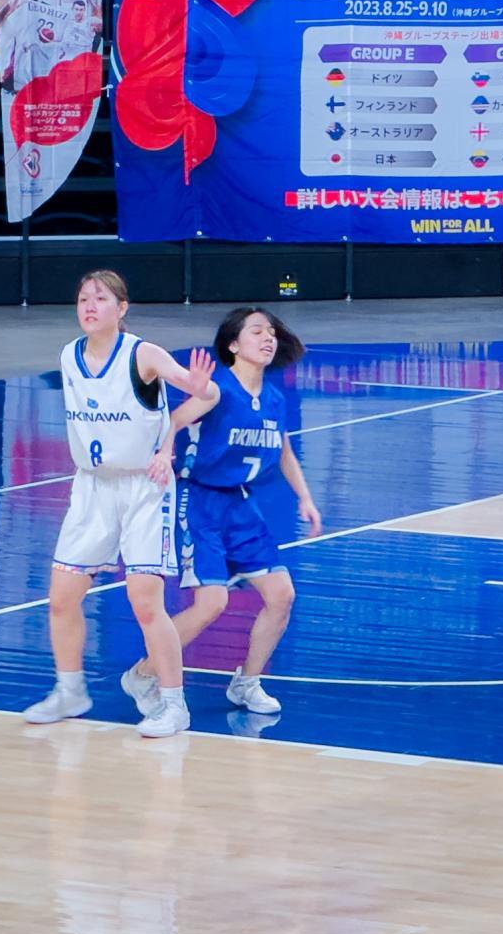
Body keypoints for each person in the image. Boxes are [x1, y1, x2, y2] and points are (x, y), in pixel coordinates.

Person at [22, 271, 223, 738]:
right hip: (91, 487)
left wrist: (199, 387)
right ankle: (71, 690)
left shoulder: (143, 354)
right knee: (62, 598)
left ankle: (172, 702)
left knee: (145, 601)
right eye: (82, 298)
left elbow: (206, 395)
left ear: (122, 308)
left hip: (143, 488)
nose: (89, 305)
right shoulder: (69, 355)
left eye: (100, 298)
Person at [117, 308, 323, 723]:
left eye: (272, 333)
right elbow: (174, 420)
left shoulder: (274, 398)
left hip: (240, 503)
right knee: (213, 602)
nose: (268, 339)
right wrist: (163, 452)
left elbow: (281, 449)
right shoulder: (215, 389)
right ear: (233, 344)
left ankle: (246, 681)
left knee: (282, 596)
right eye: (257, 331)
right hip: (199, 500)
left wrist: (305, 497)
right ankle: (144, 674)